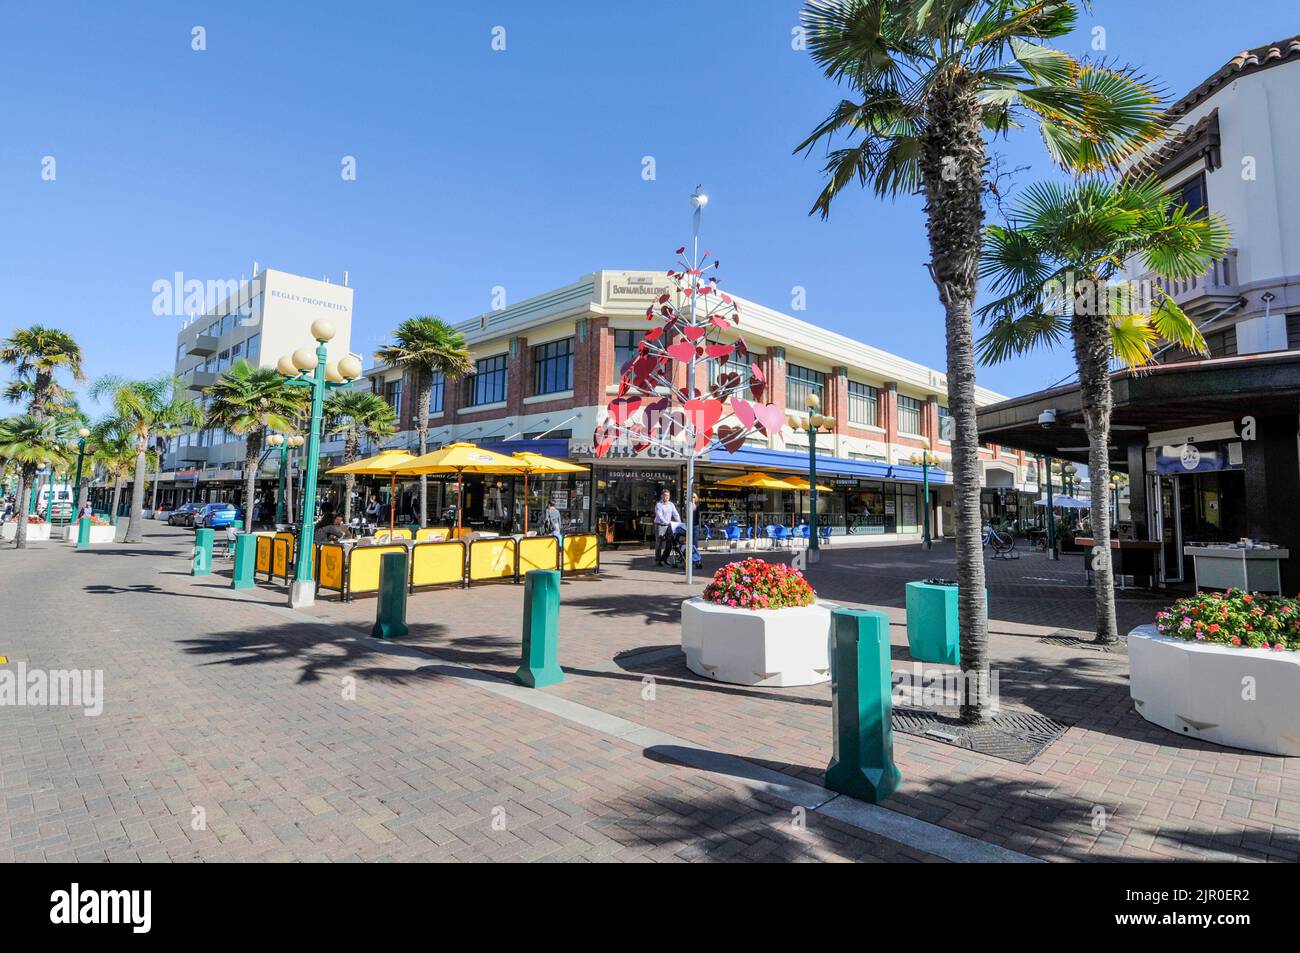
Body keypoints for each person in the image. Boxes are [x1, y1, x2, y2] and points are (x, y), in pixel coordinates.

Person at [653, 489, 682, 566]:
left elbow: (676, 514)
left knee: (669, 543)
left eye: (668, 495)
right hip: (660, 525)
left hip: (668, 525)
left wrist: (679, 522)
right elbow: (659, 515)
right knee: (659, 543)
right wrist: (666, 522)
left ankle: (664, 558)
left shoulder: (671, 504)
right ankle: (658, 560)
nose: (667, 497)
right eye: (665, 495)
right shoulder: (659, 504)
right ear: (662, 496)